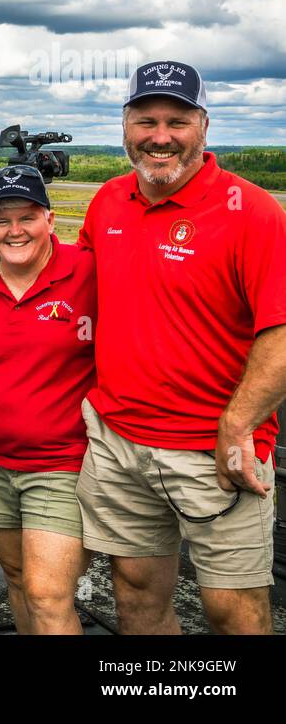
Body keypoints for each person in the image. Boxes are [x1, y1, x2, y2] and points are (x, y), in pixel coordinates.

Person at [76, 60, 285, 634]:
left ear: (204, 126)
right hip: (119, 444)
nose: (160, 136)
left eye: (177, 121)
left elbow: (282, 332)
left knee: (234, 609)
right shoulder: (108, 203)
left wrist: (237, 424)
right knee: (136, 592)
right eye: (146, 120)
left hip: (215, 451)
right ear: (125, 127)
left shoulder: (253, 212)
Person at [0, 166, 95, 634]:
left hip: (63, 462)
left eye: (28, 217)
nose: (16, 230)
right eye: (2, 218)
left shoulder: (88, 271)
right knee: (17, 579)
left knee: (48, 593)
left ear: (51, 221)